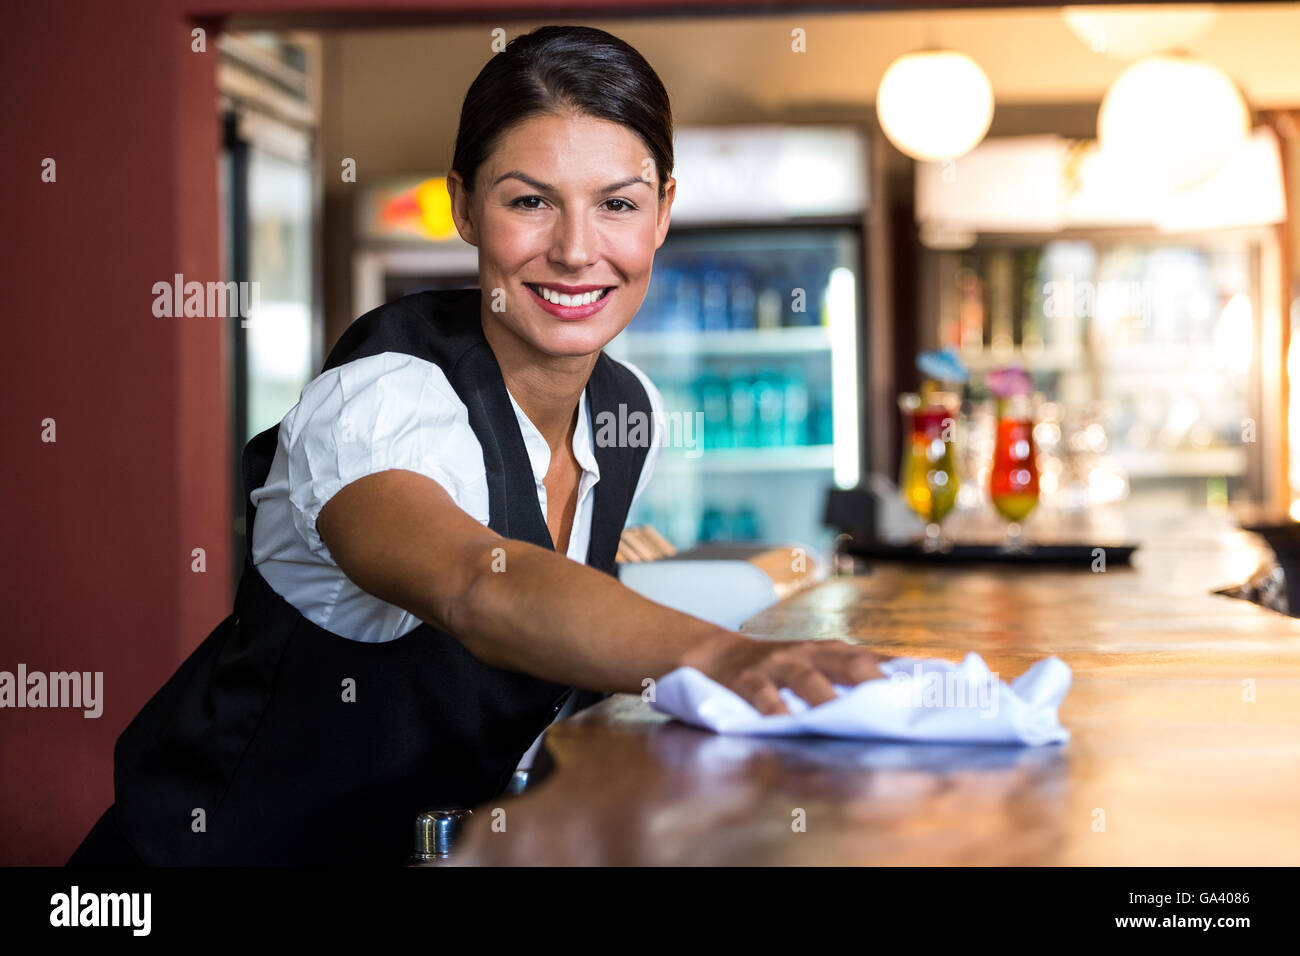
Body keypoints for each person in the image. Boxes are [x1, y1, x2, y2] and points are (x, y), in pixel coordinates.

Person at [68, 24, 887, 867]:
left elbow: (557, 608)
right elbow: (476, 585)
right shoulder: (381, 401)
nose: (576, 251)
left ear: (664, 211)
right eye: (529, 201)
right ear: (464, 206)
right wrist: (729, 659)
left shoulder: (623, 405)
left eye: (617, 203)